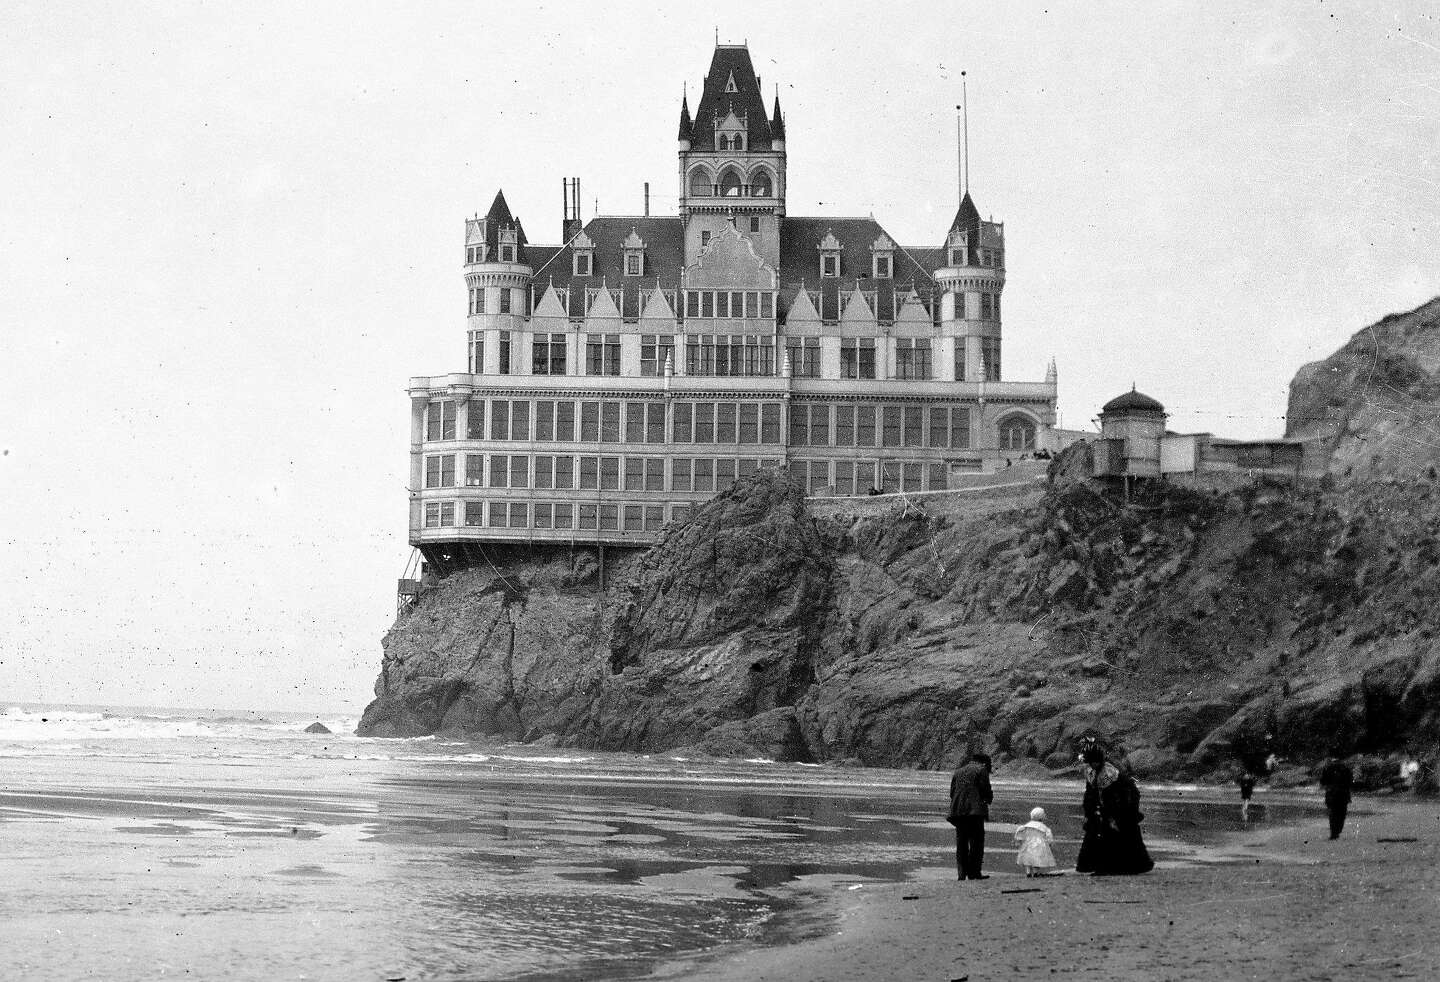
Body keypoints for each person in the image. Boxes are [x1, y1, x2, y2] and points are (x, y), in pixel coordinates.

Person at [1074, 739, 1154, 875]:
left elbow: (1121, 795)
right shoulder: (1091, 771)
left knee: (1119, 834)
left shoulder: (1111, 774)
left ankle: (1115, 867)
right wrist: (1089, 811)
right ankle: (1095, 865)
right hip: (1104, 805)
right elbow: (1090, 792)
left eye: (1094, 762)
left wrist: (1113, 816)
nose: (1092, 764)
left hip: (1122, 805)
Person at [948, 752, 993, 880]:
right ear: (984, 763)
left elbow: (952, 792)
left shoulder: (958, 771)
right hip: (975, 812)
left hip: (957, 812)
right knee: (976, 843)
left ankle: (961, 874)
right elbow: (985, 790)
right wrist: (988, 799)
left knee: (961, 843)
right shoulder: (981, 769)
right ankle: (974, 873)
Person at [1013, 806, 1057, 877]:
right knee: (1037, 859)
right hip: (1040, 844)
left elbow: (1020, 833)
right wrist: (1050, 843)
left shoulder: (1026, 826)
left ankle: (1028, 872)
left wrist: (1019, 841)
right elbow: (1048, 836)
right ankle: (1035, 872)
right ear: (1042, 817)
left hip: (1028, 843)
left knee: (1027, 859)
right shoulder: (1043, 827)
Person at [1319, 751, 1353, 840]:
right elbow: (1350, 782)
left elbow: (1323, 782)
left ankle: (1334, 832)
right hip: (1343, 794)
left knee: (1333, 814)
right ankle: (1337, 830)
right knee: (1341, 814)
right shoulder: (1346, 768)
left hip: (1332, 794)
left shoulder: (1328, 768)